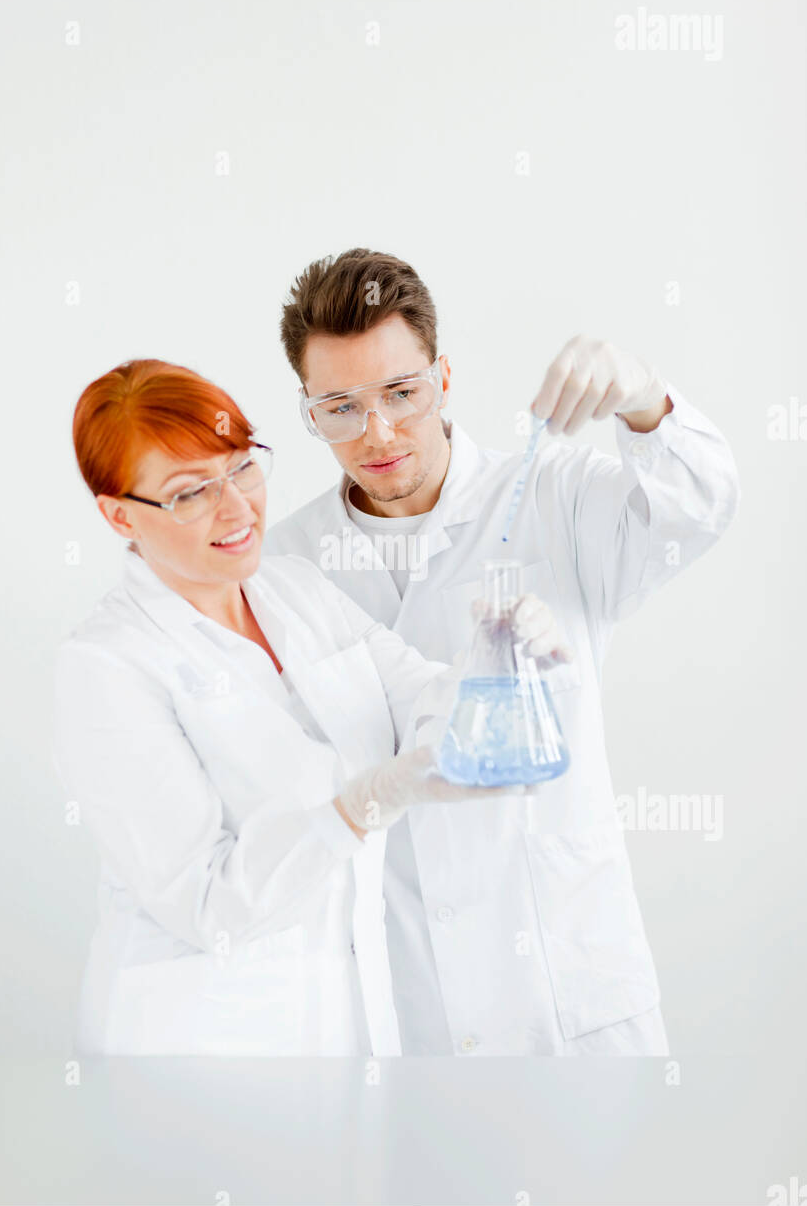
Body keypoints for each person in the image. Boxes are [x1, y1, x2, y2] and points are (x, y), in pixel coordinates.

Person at [263, 248, 742, 1056]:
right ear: (307, 409)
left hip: (573, 999)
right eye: (339, 407)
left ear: (444, 378)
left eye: (401, 394)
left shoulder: (551, 493)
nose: (377, 432)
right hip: (408, 1014)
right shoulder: (289, 564)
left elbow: (700, 505)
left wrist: (645, 398)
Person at [52, 358, 571, 1056]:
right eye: (189, 494)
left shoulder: (293, 589)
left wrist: (493, 660)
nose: (236, 508)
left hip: (348, 1030)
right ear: (118, 515)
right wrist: (358, 809)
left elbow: (417, 695)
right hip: (198, 1052)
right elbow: (208, 902)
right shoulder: (107, 666)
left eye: (241, 467)